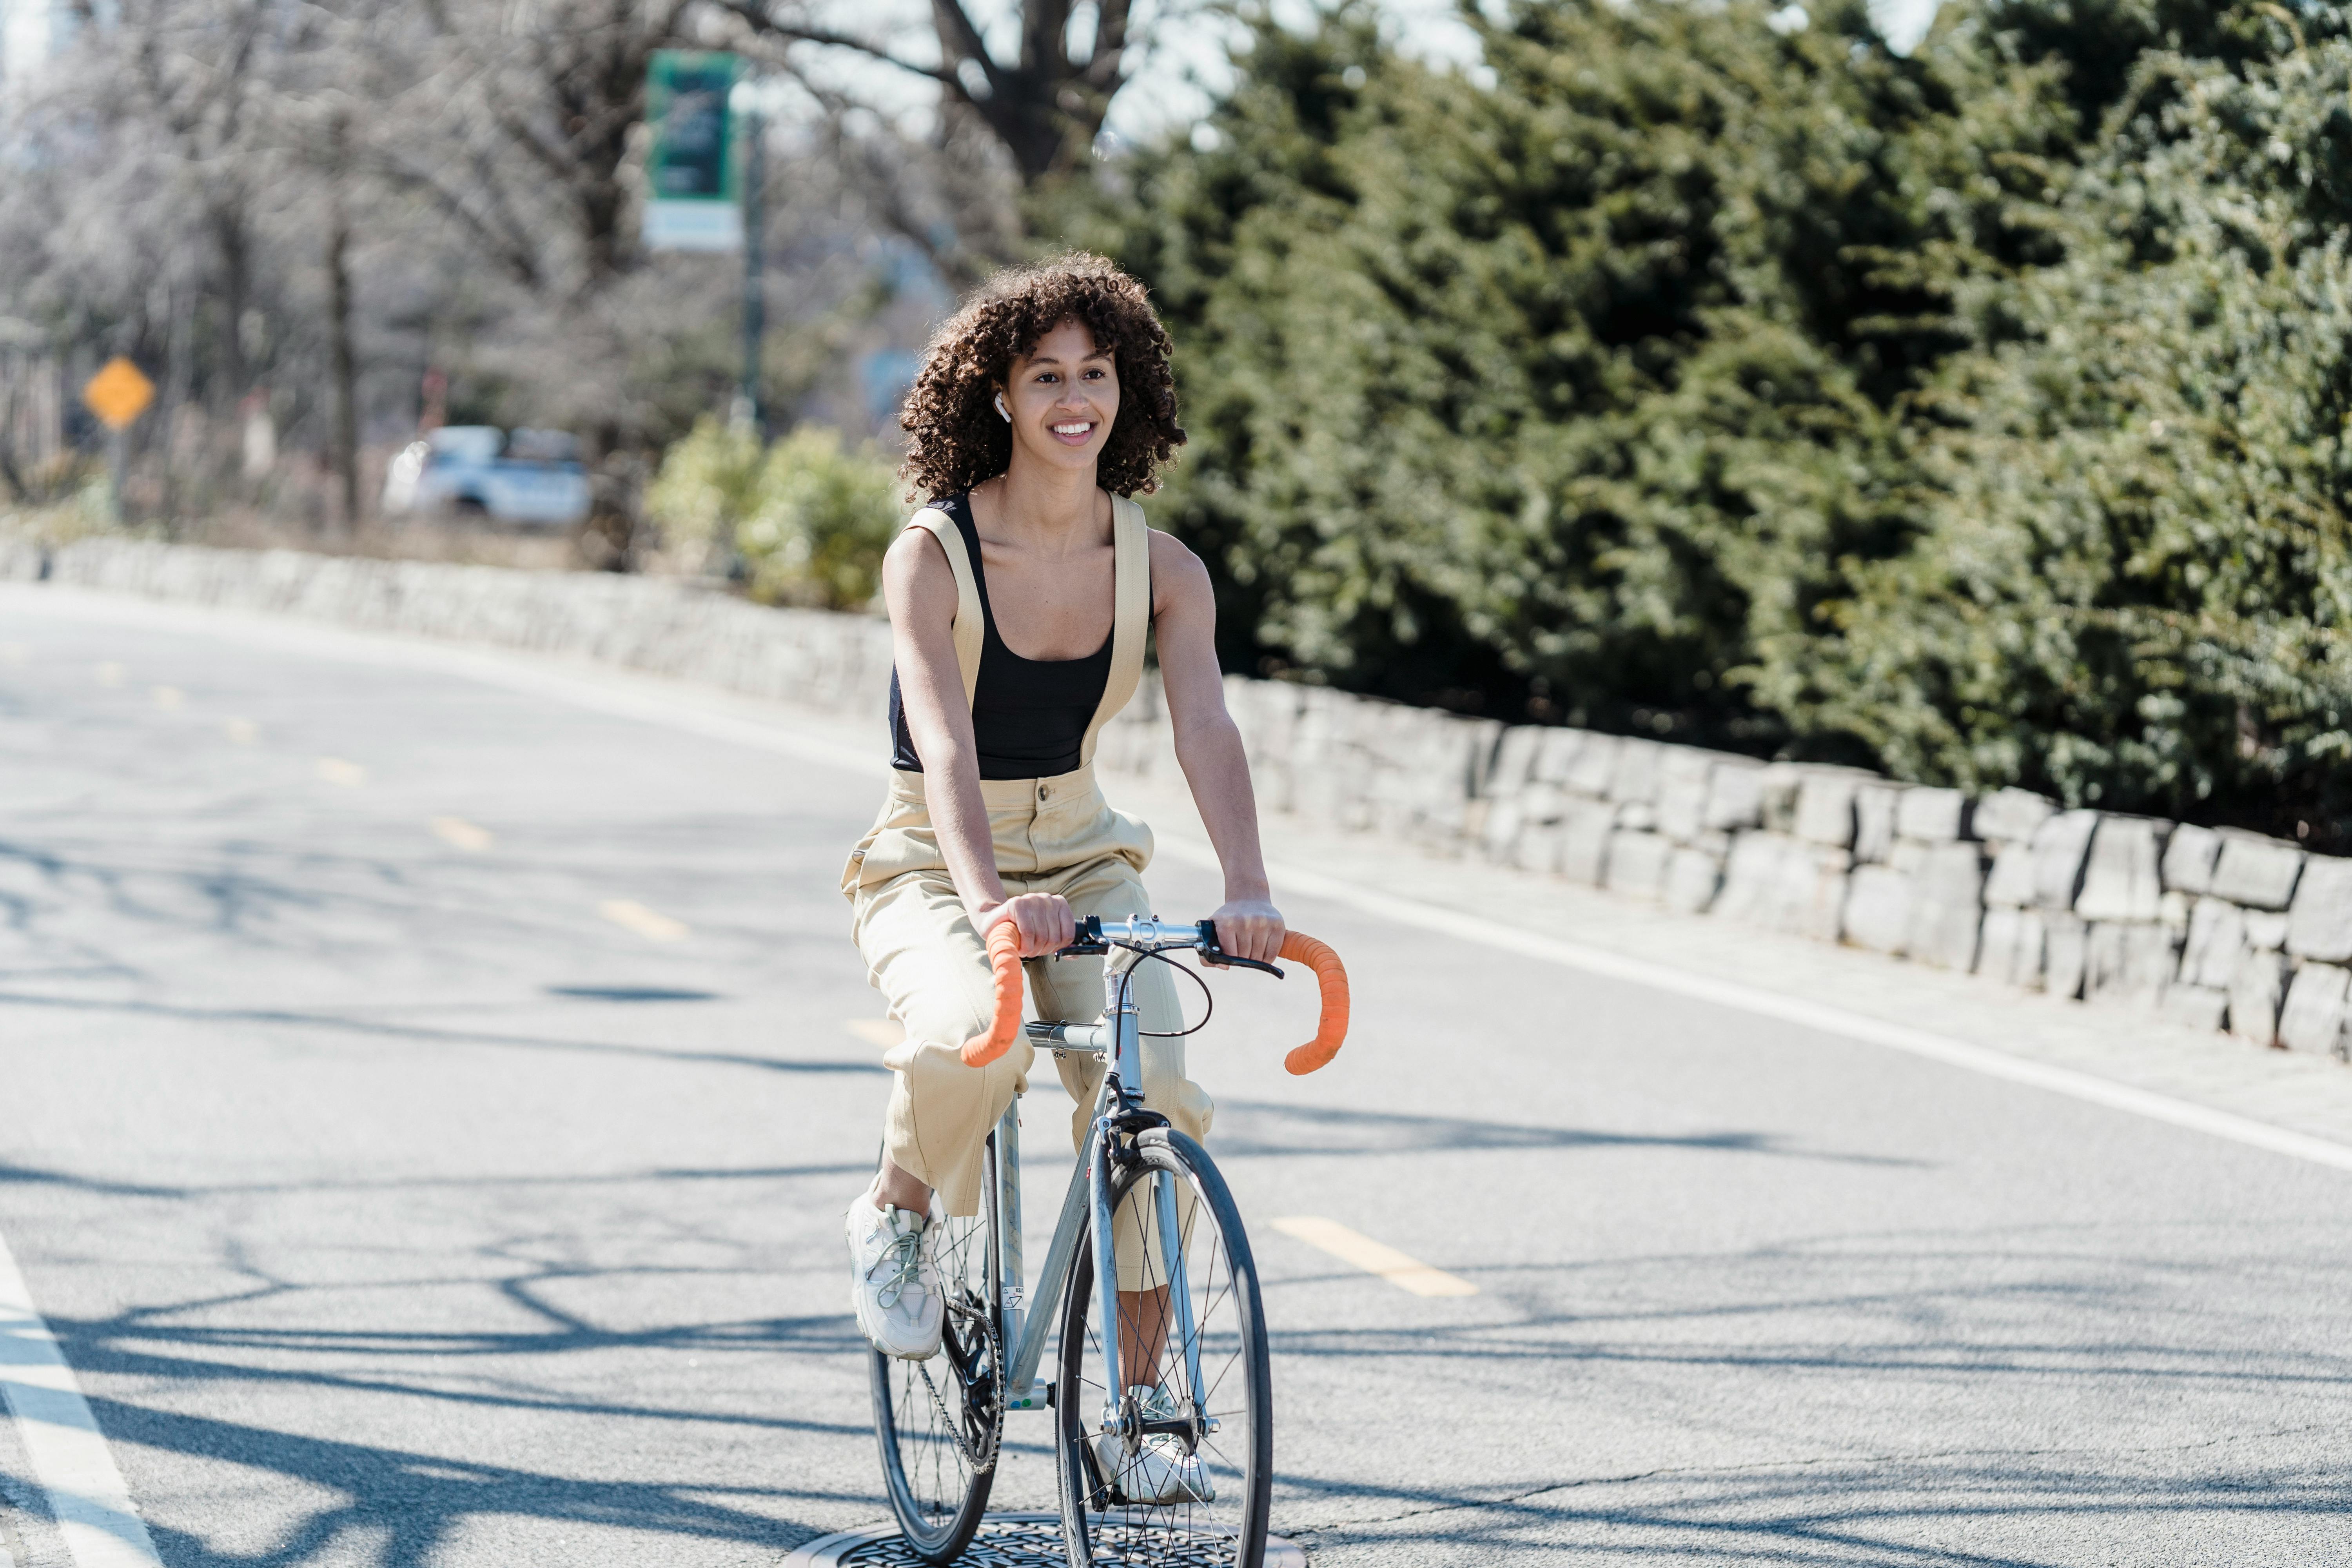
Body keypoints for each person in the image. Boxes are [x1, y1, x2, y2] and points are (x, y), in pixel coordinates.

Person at [840, 254, 1283, 1504]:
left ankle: (1143, 1414)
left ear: (1126, 391)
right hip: (936, 856)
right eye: (1046, 377)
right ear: (1000, 395)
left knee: (1157, 1094)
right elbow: (944, 745)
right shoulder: (931, 555)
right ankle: (898, 1208)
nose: (1073, 399)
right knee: (973, 1043)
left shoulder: (1168, 570)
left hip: (1086, 854)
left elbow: (1205, 729)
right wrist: (987, 907)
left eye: (1096, 374)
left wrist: (1248, 886)